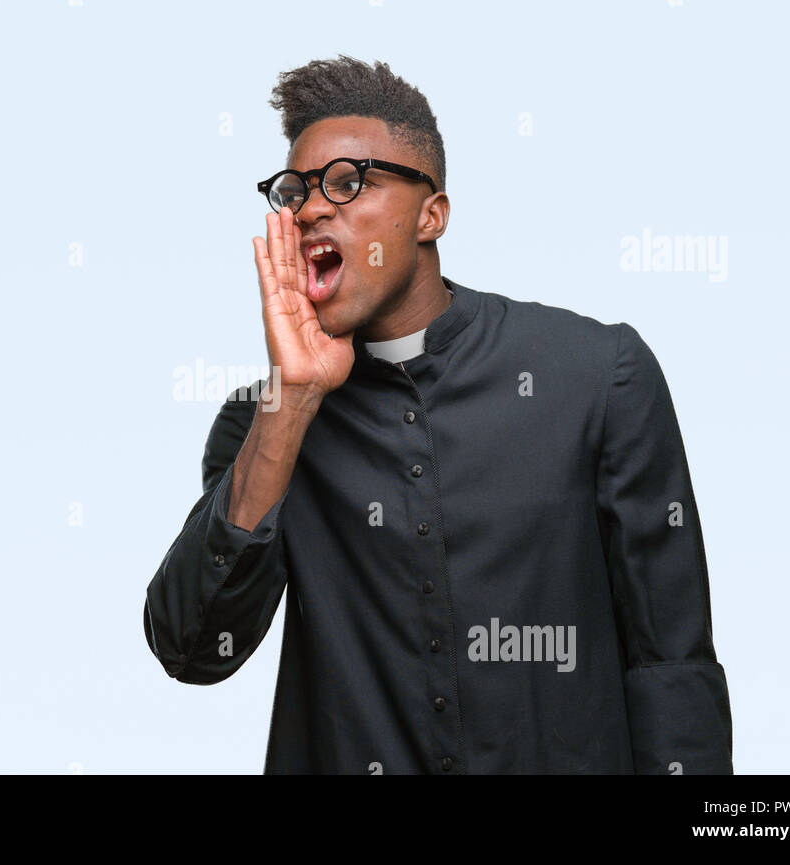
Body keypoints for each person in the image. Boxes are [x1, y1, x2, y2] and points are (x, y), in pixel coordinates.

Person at [142, 55, 733, 774]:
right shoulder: (261, 422)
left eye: (348, 181)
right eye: (294, 192)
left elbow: (672, 665)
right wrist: (292, 401)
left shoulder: (599, 376)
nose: (311, 209)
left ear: (431, 214)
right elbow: (192, 648)